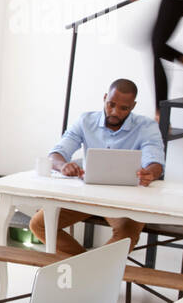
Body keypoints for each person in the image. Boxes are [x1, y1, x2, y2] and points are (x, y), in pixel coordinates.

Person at [30, 78, 164, 255]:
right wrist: (63, 166)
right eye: (111, 104)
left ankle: (92, 271)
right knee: (39, 224)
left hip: (127, 198)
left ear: (133, 106)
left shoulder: (146, 126)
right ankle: (89, 270)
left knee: (126, 234)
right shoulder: (86, 121)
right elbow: (56, 153)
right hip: (87, 194)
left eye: (123, 108)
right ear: (104, 97)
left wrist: (150, 173)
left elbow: (155, 162)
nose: (115, 112)